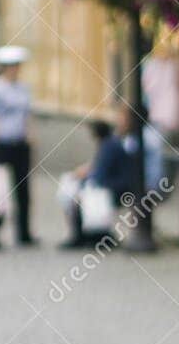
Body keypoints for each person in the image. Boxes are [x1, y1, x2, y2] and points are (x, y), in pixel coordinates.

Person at [60, 105, 143, 248]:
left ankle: (87, 236)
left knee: (79, 194)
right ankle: (92, 235)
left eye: (122, 118)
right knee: (78, 191)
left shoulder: (116, 143)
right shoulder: (116, 141)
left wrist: (85, 182)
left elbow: (101, 174)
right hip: (119, 183)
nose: (119, 121)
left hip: (119, 186)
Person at [0, 45, 38, 247]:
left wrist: (31, 137)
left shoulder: (24, 88)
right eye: (12, 66)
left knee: (23, 189)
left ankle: (24, 232)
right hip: (2, 144)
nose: (16, 69)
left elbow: (27, 115)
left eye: (17, 66)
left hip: (20, 144)